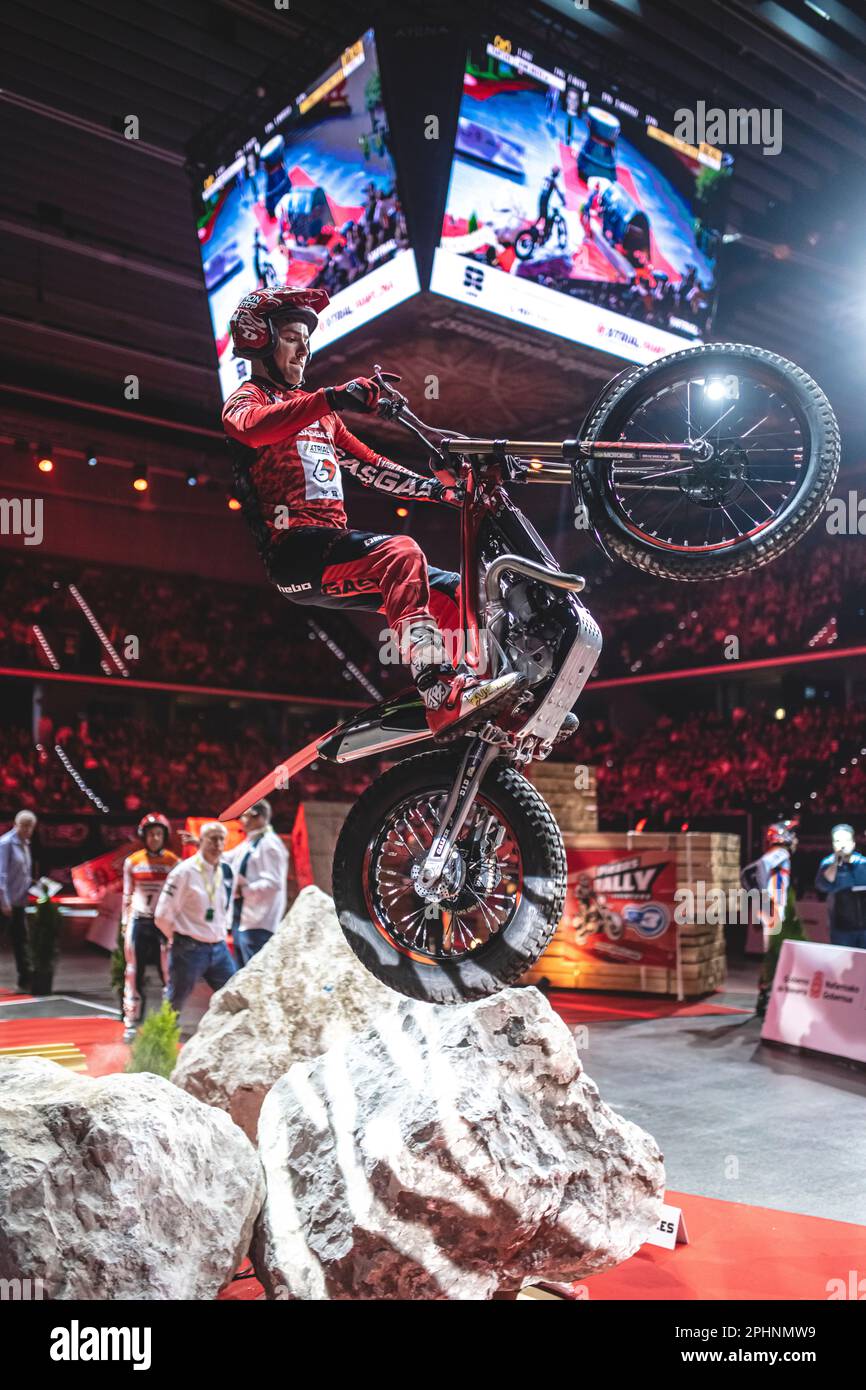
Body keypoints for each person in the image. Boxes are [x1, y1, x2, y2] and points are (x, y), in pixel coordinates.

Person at [222, 285, 520, 733]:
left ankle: (477, 694)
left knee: (459, 594)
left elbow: (371, 467)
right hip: (295, 556)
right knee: (400, 552)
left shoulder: (322, 418)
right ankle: (435, 685)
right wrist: (333, 396)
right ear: (256, 339)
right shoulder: (248, 401)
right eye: (290, 336)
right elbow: (254, 432)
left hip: (335, 549)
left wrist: (441, 493)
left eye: (306, 338)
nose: (304, 348)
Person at [155, 821, 236, 1022]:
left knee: (235, 994)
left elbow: (227, 905)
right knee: (175, 1002)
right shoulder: (183, 872)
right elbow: (162, 915)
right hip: (188, 949)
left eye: (221, 840)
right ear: (201, 841)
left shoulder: (226, 870)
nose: (218, 844)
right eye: (212, 839)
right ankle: (159, 1047)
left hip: (218, 948)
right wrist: (177, 938)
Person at [121, 812, 179, 1041]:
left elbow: (178, 897)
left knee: (168, 974)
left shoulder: (174, 862)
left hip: (161, 924)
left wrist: (174, 927)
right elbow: (126, 894)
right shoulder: (132, 862)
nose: (154, 838)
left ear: (164, 836)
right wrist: (124, 924)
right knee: (133, 973)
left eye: (158, 834)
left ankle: (169, 1020)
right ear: (143, 836)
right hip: (138, 921)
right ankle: (131, 1023)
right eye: (150, 834)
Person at [225, 799, 288, 965]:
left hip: (259, 921)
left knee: (254, 971)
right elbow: (227, 858)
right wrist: (203, 846)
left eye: (246, 816)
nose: (242, 821)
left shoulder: (269, 844)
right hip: (244, 917)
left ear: (259, 817)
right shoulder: (250, 842)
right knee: (241, 972)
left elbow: (274, 883)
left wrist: (244, 889)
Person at [0, 810, 36, 990]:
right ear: (18, 825)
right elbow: (1, 876)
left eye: (31, 828)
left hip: (19, 902)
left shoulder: (25, 844)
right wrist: (4, 902)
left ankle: (25, 981)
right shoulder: (5, 844)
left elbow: (24, 874)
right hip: (4, 904)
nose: (29, 831)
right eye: (26, 827)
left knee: (21, 941)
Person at [815, 824, 866, 949]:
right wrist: (837, 862)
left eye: (846, 840)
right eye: (838, 841)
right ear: (833, 844)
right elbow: (822, 885)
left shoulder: (863, 863)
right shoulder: (827, 864)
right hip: (841, 929)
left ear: (853, 843)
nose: (842, 844)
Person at [537, 166, 564, 243]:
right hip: (545, 202)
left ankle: (542, 235)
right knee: (547, 220)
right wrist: (563, 201)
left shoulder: (546, 178)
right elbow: (559, 192)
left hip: (541, 200)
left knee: (542, 216)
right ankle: (543, 237)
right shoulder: (553, 181)